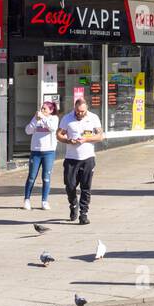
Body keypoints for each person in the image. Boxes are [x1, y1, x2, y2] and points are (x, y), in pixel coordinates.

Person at [58, 93, 104, 224]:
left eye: (82, 111)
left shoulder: (93, 118)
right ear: (74, 108)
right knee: (70, 185)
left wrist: (86, 139)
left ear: (86, 109)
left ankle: (83, 214)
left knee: (86, 187)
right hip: (71, 159)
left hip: (88, 158)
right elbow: (59, 135)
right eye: (77, 111)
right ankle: (73, 205)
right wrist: (68, 141)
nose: (79, 114)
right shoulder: (67, 118)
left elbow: (100, 136)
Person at [22, 100, 59, 210]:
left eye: (45, 109)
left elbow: (52, 128)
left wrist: (43, 117)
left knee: (46, 177)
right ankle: (27, 199)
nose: (42, 110)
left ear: (51, 110)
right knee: (31, 177)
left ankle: (44, 201)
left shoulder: (54, 118)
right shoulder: (36, 118)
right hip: (36, 152)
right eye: (42, 108)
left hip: (49, 152)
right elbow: (28, 131)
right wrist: (35, 120)